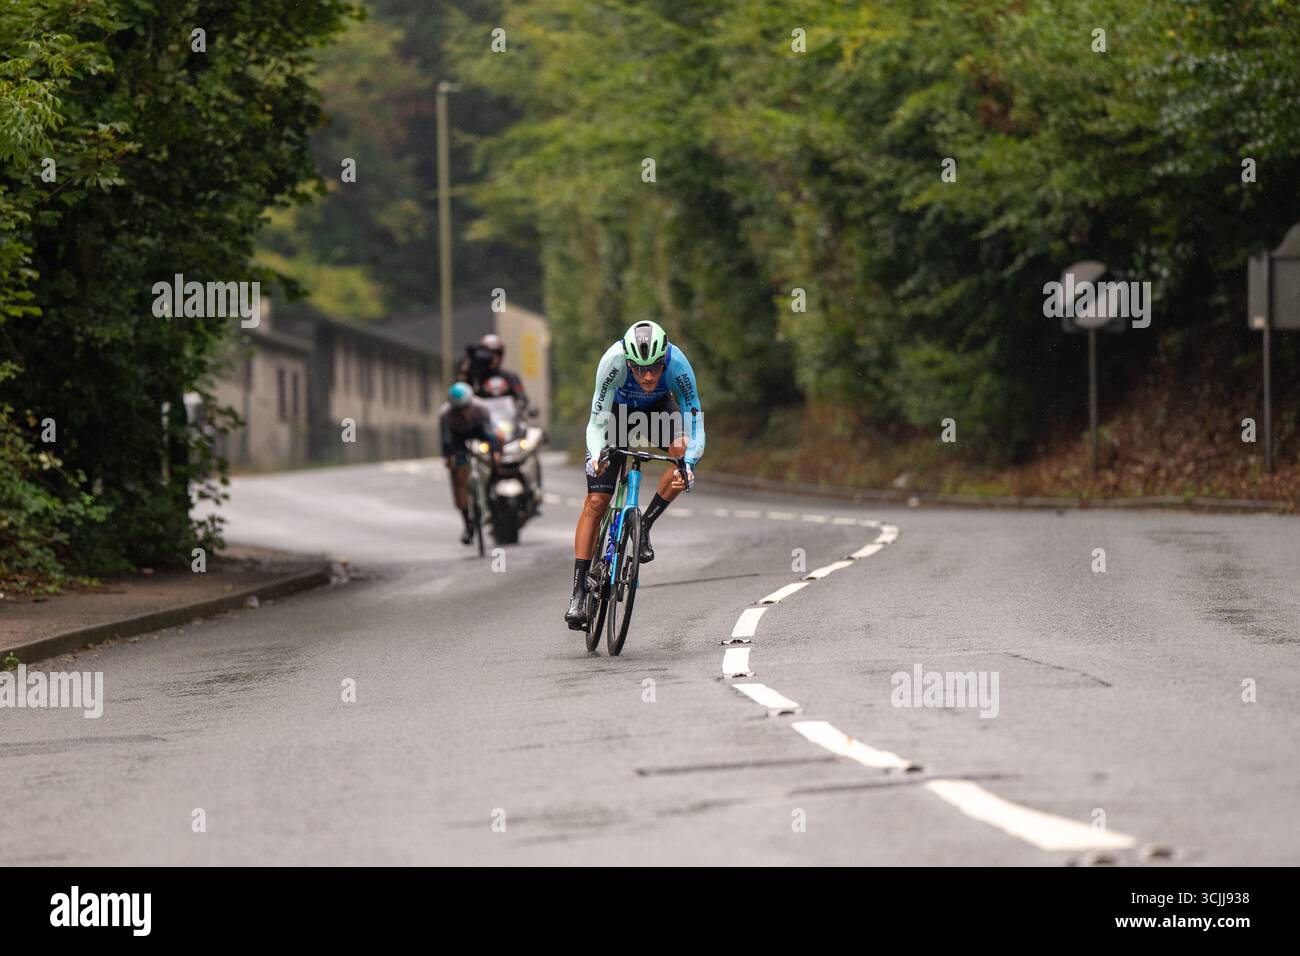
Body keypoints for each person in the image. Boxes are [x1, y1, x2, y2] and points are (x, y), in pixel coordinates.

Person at [564, 320, 705, 629]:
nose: (648, 375)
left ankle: (644, 523)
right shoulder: (613, 361)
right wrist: (597, 453)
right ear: (628, 360)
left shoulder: (678, 363)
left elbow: (694, 419)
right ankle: (577, 593)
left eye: (654, 367)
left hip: (657, 410)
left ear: (664, 358)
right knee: (597, 501)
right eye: (639, 369)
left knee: (681, 450)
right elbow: (597, 422)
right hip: (615, 416)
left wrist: (689, 464)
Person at [439, 381, 501, 545]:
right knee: (458, 475)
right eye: (458, 410)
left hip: (480, 433)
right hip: (458, 439)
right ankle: (468, 525)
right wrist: (448, 456)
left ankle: (494, 491)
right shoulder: (446, 414)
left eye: (465, 407)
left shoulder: (481, 409)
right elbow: (446, 439)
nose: (462, 412)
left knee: (496, 453)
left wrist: (495, 452)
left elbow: (490, 433)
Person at [457, 333, 530, 408]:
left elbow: (521, 397)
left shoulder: (510, 377)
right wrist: (466, 370)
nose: (493, 358)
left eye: (496, 354)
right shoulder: (474, 377)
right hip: (481, 418)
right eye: (489, 354)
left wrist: (520, 403)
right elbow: (460, 394)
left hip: (506, 418)